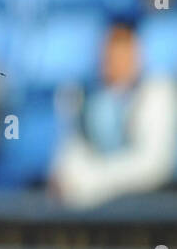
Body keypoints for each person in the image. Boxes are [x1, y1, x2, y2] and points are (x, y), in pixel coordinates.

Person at [51, 18, 177, 207]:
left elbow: (154, 166)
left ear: (137, 53)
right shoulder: (83, 95)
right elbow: (68, 160)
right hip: (98, 210)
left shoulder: (157, 92)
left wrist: (94, 182)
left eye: (124, 51)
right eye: (110, 51)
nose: (116, 59)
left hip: (149, 207)